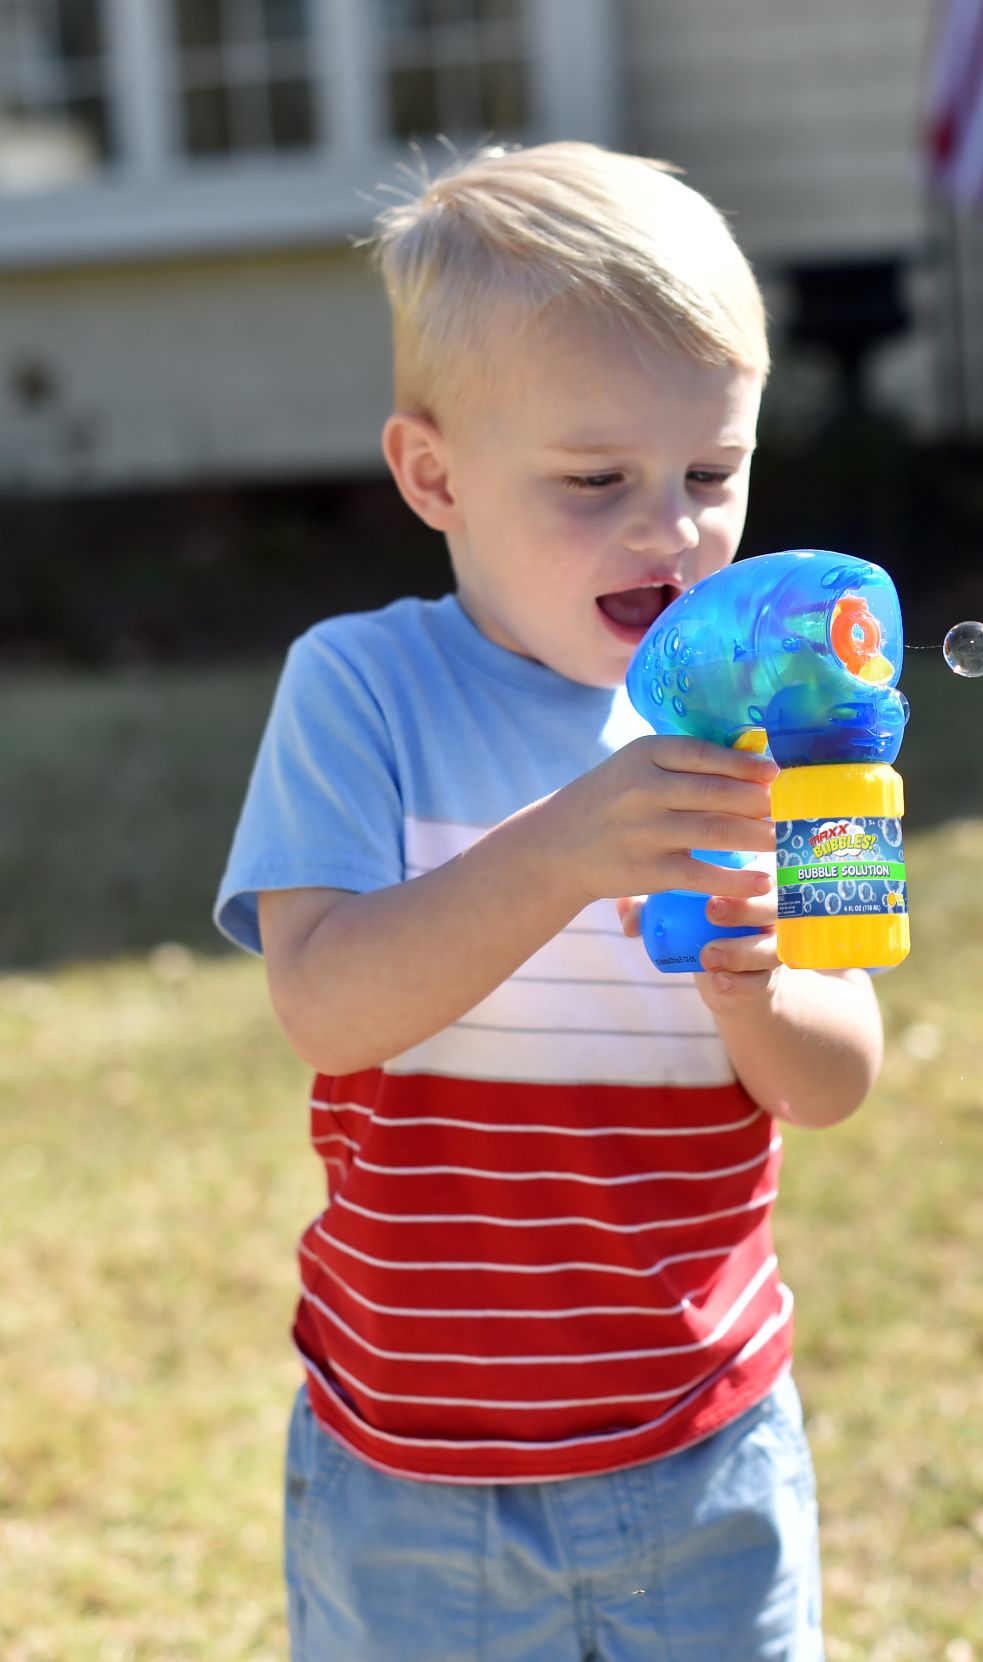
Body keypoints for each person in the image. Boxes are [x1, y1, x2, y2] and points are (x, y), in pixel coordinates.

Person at [213, 141, 883, 1660]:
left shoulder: (788, 711)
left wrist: (759, 993)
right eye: (597, 482)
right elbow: (323, 1002)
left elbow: (838, 1079)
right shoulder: (361, 689)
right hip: (412, 1472)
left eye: (714, 473)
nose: (672, 529)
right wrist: (561, 849)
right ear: (433, 473)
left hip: (704, 1446)